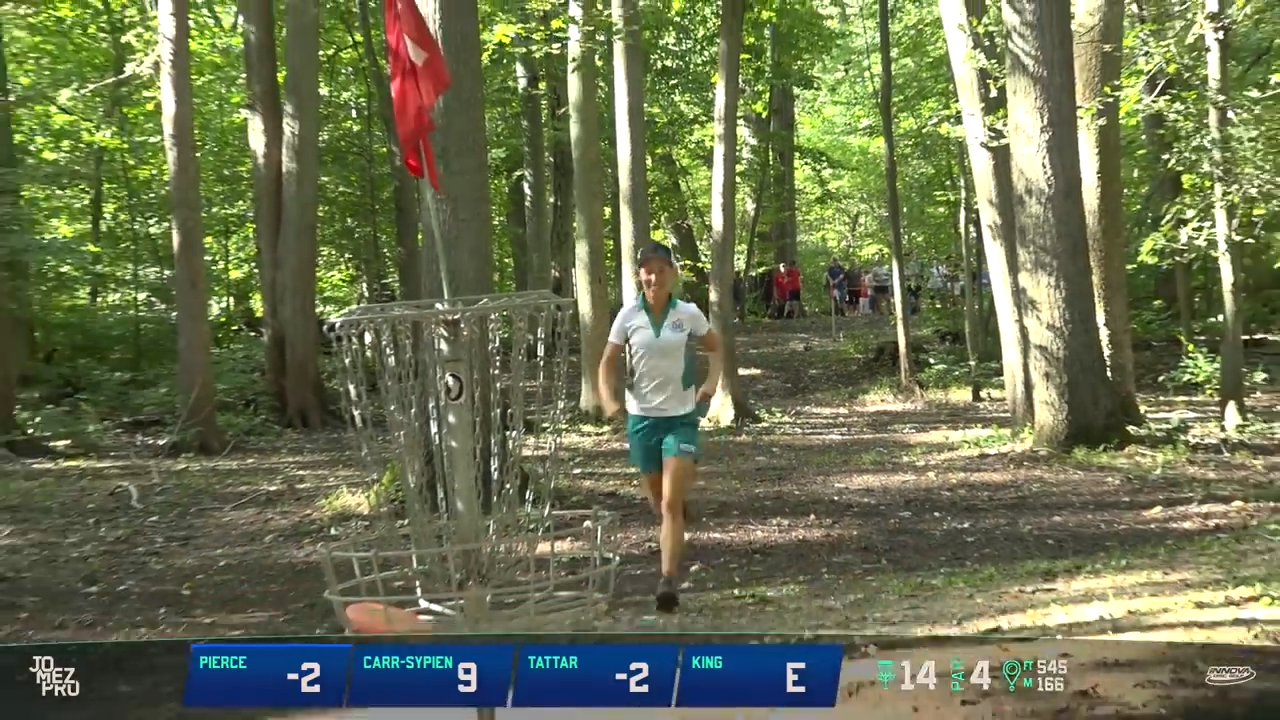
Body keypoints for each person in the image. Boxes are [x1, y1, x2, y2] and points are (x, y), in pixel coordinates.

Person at [599, 241, 722, 613]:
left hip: (681, 419)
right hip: (642, 420)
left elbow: (715, 348)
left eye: (661, 270)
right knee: (659, 502)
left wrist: (710, 384)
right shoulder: (628, 315)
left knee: (669, 502)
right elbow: (607, 362)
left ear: (673, 274)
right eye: (648, 271)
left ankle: (667, 581)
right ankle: (677, 520)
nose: (654, 277)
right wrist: (609, 400)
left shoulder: (688, 313)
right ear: (640, 276)